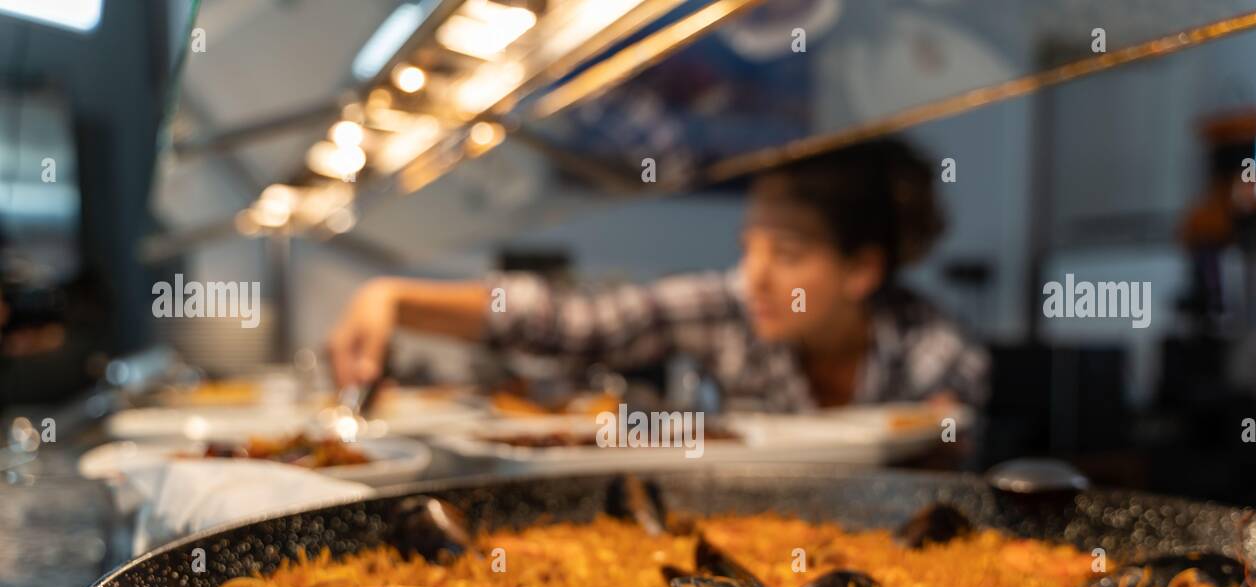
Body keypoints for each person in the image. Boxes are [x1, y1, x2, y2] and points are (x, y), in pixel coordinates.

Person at [328, 138, 989, 412]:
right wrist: (396, 297)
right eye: (748, 247)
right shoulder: (727, 305)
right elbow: (579, 321)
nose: (752, 276)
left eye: (785, 255)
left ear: (862, 268)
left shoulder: (937, 355)